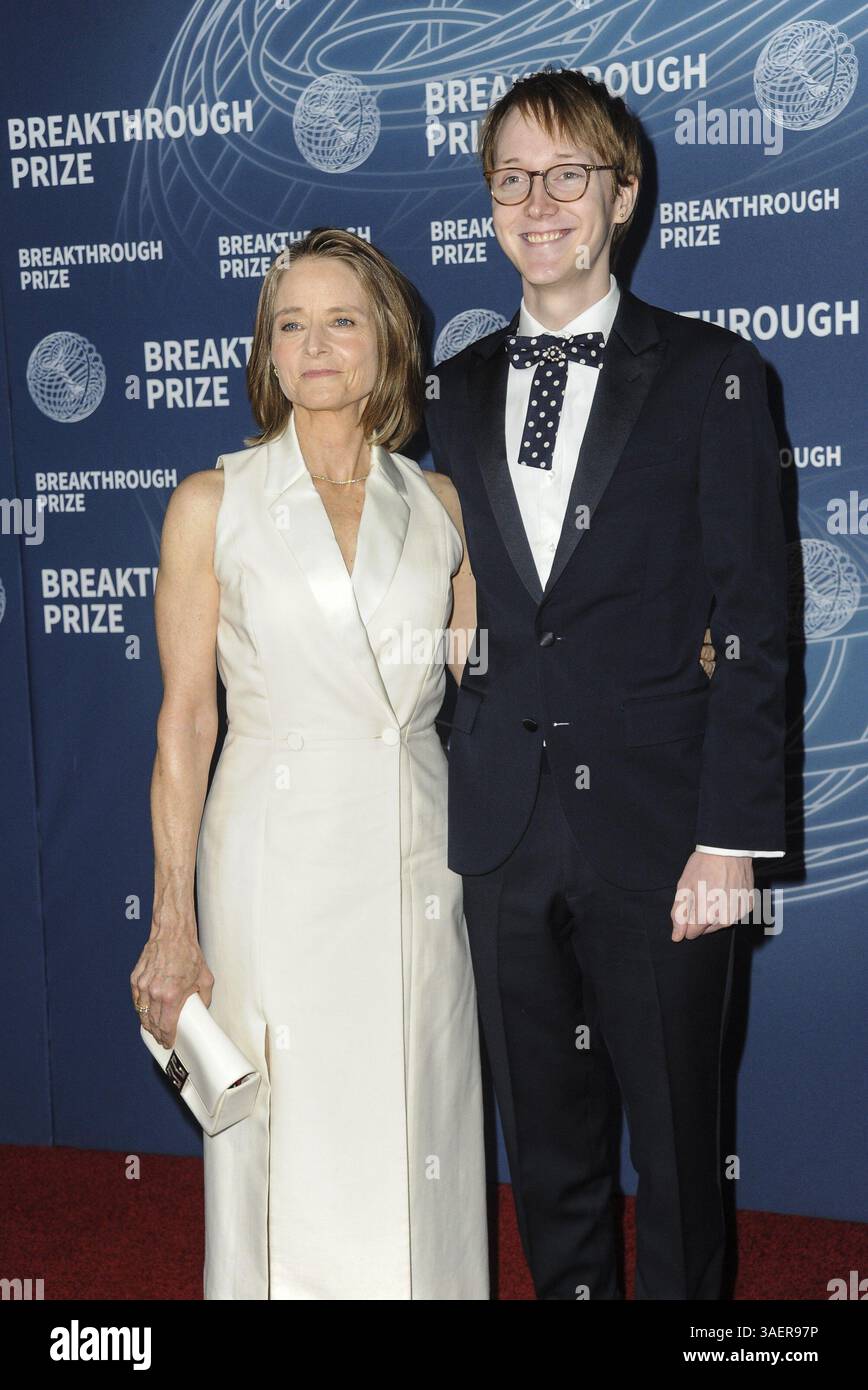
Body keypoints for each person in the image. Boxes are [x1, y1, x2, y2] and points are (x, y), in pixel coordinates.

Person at [425, 68, 788, 1300]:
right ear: (488, 204)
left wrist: (729, 843)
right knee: (549, 1152)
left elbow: (755, 621)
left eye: (567, 175)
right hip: (501, 834)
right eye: (511, 179)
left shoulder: (712, 375)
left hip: (664, 833)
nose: (539, 203)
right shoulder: (449, 393)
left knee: (683, 1149)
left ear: (621, 196)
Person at [131, 228, 489, 1300]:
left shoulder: (437, 508)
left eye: (343, 319)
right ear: (268, 353)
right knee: (278, 1134)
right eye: (291, 323)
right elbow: (186, 722)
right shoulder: (214, 503)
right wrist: (171, 918)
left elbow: (502, 677)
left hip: (413, 857)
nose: (315, 343)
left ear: (387, 341)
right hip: (272, 858)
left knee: (415, 1111)